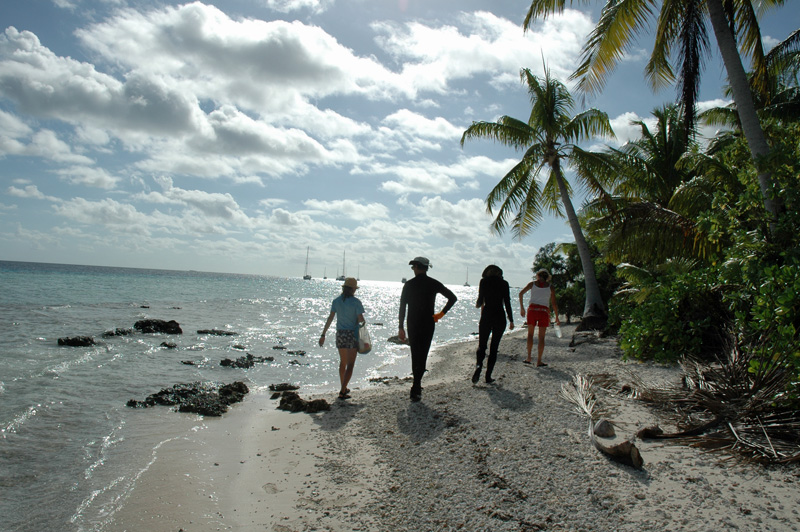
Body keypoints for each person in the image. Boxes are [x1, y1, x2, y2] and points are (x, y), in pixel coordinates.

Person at [398, 256, 457, 402]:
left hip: (413, 323)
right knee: (423, 353)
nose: (412, 270)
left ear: (417, 267)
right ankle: (417, 385)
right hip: (428, 322)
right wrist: (441, 314)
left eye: (413, 267)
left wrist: (400, 327)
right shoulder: (433, 283)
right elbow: (453, 298)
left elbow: (402, 307)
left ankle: (416, 385)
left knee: (415, 353)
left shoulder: (409, 285)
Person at [320, 277, 365, 399]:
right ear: (353, 290)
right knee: (350, 365)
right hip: (351, 335)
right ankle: (342, 391)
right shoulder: (356, 302)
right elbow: (361, 320)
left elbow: (330, 318)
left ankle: (343, 388)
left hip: (340, 334)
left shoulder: (336, 301)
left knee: (343, 363)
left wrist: (323, 334)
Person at [473, 264, 514, 384]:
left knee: (482, 345)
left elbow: (480, 300)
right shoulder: (504, 284)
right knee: (494, 348)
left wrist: (482, 308)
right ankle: (488, 376)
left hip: (486, 315)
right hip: (499, 316)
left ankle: (479, 366)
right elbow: (507, 303)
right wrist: (511, 320)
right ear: (499, 273)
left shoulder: (483, 282)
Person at [518, 268, 560, 367]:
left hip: (532, 310)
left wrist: (522, 308)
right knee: (541, 337)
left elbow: (520, 294)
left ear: (538, 276)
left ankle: (528, 357)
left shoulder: (532, 284)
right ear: (547, 277)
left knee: (530, 335)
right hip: (544, 312)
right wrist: (557, 317)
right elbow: (554, 303)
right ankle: (539, 361)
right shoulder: (550, 287)